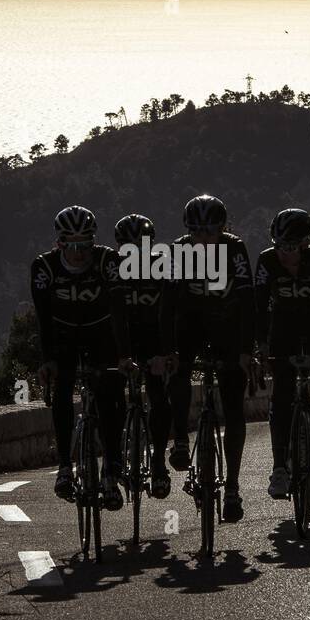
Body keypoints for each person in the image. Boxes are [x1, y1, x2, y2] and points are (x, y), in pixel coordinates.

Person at [160, 194, 255, 523]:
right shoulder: (177, 251)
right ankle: (182, 441)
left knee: (233, 405)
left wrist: (246, 351)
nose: (203, 239)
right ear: (188, 231)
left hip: (227, 325)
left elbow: (247, 300)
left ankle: (232, 487)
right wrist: (168, 350)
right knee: (179, 372)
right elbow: (167, 304)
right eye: (196, 232)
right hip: (190, 323)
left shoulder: (235, 249)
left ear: (223, 229)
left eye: (210, 232)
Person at [30, 205, 132, 510]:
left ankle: (111, 471)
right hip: (63, 338)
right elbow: (43, 317)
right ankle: (64, 467)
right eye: (71, 245)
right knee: (62, 391)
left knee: (110, 394)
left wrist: (125, 354)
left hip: (100, 334)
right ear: (59, 243)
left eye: (84, 245)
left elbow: (119, 310)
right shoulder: (44, 268)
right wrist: (47, 360)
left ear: (92, 242)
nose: (78, 253)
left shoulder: (107, 261)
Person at [255, 208, 310, 500]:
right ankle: (280, 467)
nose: (283, 253)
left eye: (290, 247)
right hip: (283, 330)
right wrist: (261, 345)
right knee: (281, 397)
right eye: (279, 245)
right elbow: (257, 307)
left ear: (306, 245)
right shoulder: (267, 261)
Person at [113, 213, 172, 499]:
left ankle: (159, 462)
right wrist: (119, 355)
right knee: (111, 398)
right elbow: (108, 316)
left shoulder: (164, 269)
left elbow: (170, 316)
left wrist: (164, 354)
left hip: (153, 341)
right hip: (121, 341)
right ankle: (111, 465)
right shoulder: (112, 271)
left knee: (160, 398)